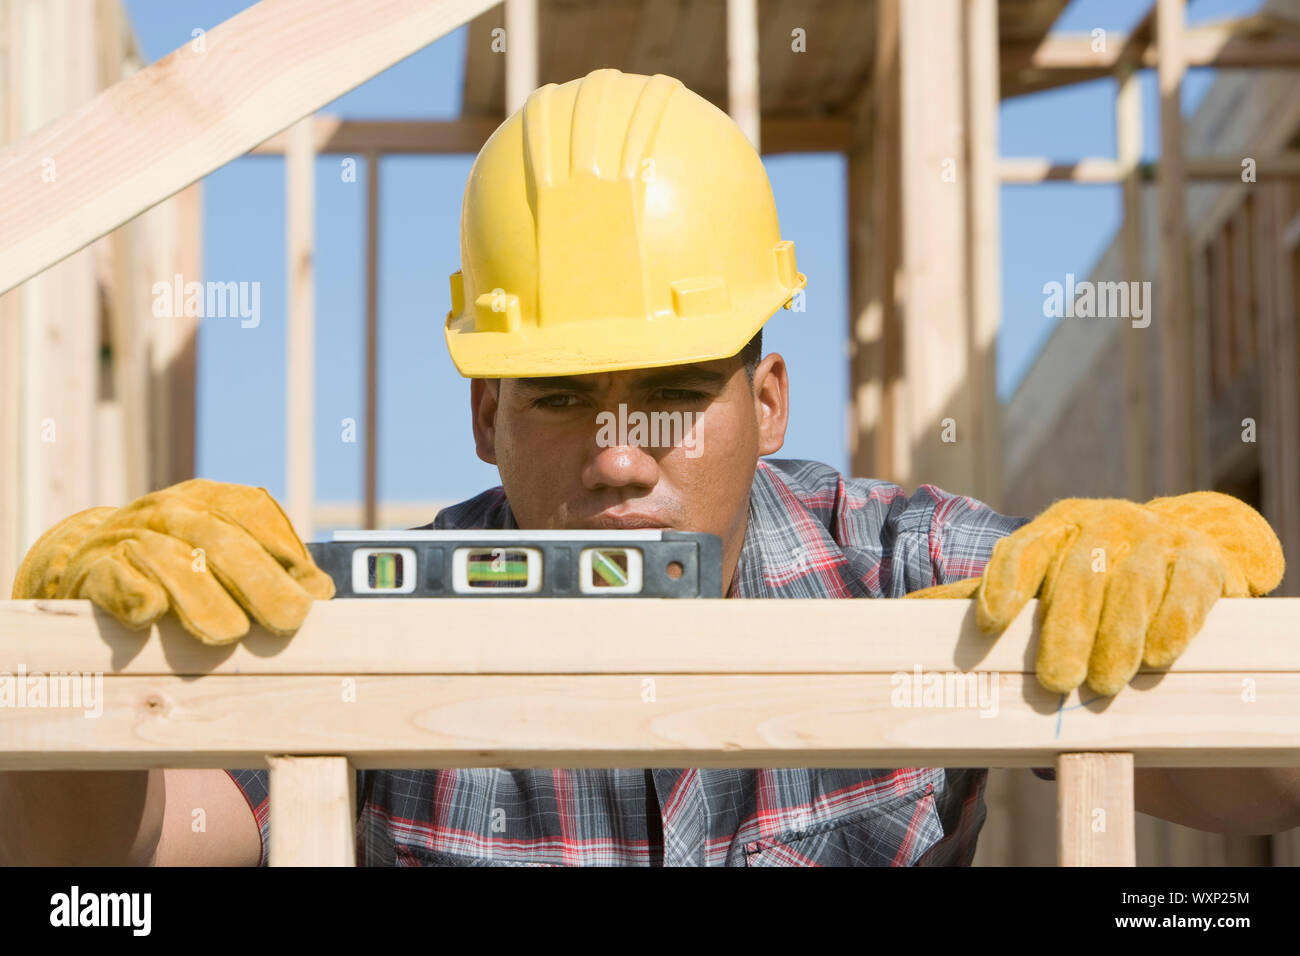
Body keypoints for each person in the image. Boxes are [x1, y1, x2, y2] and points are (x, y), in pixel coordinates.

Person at [4, 70, 1296, 867]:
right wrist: (81, 686)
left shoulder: (907, 568)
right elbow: (119, 864)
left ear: (767, 399)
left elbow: (1258, 794)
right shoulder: (368, 628)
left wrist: (1219, 661)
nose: (620, 461)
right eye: (564, 401)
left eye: (676, 395)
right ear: (484, 418)